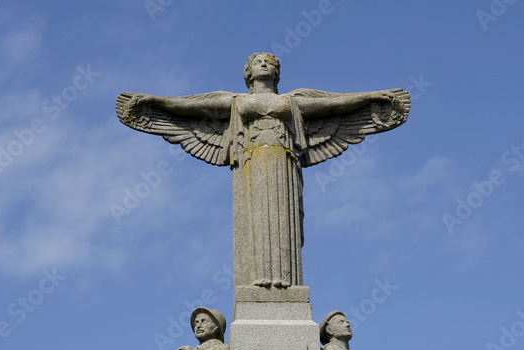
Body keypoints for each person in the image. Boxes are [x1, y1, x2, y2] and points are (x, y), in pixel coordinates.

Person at [117, 54, 409, 290]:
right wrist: (155, 102)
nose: (265, 64)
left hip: (283, 165)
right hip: (251, 168)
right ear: (248, 73)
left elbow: (335, 103)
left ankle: (286, 283)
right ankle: (256, 283)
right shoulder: (237, 102)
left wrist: (371, 97)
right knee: (253, 223)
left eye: (270, 62)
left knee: (283, 220)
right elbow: (190, 106)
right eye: (258, 61)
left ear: (276, 73)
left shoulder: (291, 101)